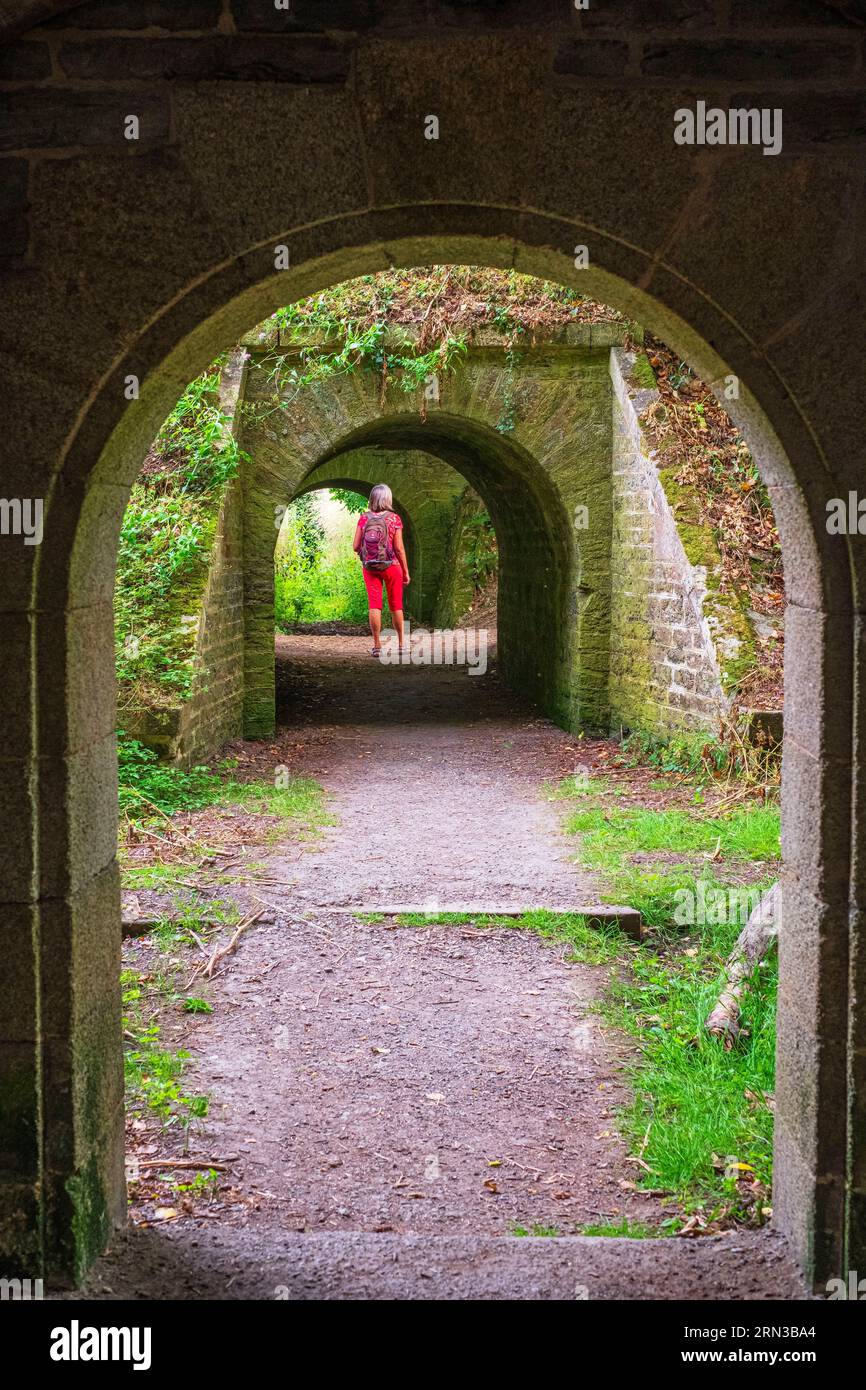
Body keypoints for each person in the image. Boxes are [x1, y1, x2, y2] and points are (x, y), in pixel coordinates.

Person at [353, 484, 410, 658]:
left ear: (372, 499)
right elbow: (399, 548)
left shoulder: (364, 518)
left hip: (370, 567)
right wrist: (406, 571)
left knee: (374, 605)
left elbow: (355, 546)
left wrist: (366, 555)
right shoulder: (394, 519)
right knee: (396, 605)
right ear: (388, 499)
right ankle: (401, 644)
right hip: (391, 566)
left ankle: (377, 646)